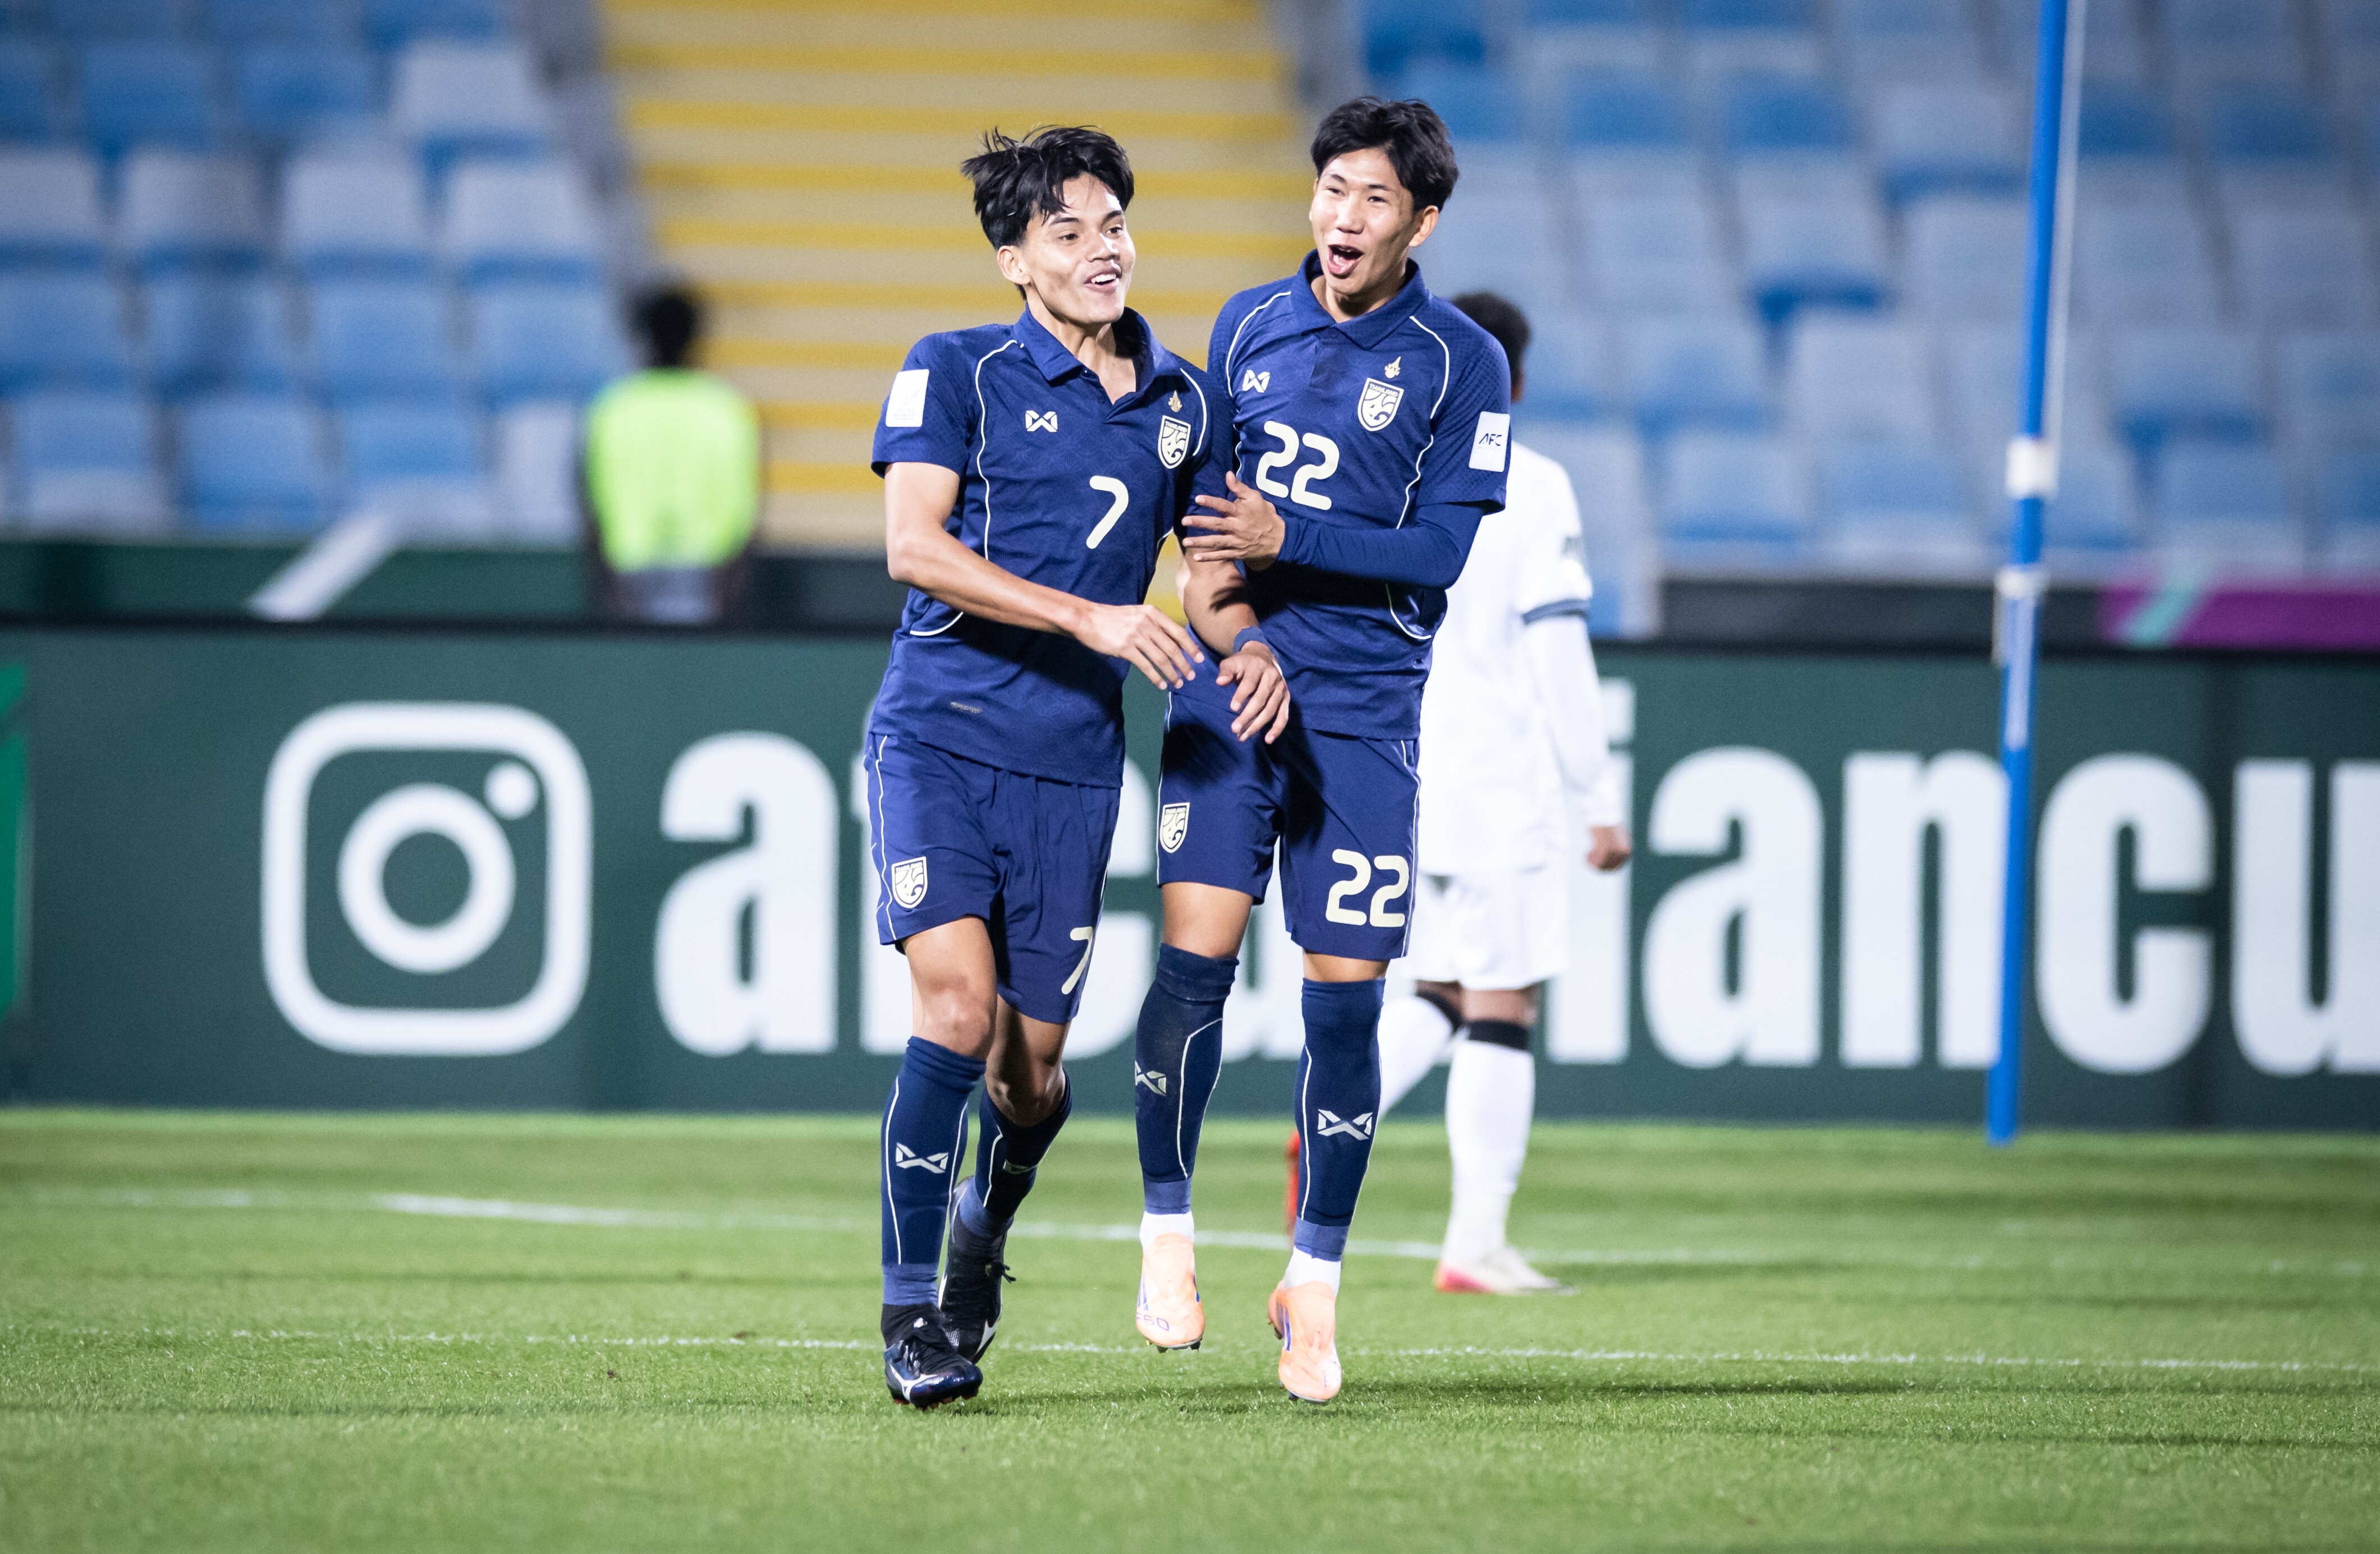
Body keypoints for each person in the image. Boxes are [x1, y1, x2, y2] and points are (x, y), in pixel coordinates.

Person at [864, 126, 1290, 1408]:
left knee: (1032, 1072)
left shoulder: (1186, 399)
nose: (1101, 248)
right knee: (950, 1004)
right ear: (1012, 259)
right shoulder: (953, 370)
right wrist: (1086, 616)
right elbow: (910, 545)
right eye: (1067, 231)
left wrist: (1249, 639)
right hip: (937, 729)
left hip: (1070, 765)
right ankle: (912, 1314)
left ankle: (980, 1236)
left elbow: (1207, 578)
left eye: (1113, 224)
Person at [1127, 97, 1511, 1404]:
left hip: (1361, 717)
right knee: (1195, 964)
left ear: (1420, 222)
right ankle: (1165, 1242)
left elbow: (1439, 553)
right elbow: (1204, 542)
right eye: (1328, 192)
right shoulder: (1242, 325)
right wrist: (1239, 639)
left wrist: (1297, 542)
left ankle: (1313, 1285)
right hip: (1232, 687)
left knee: (1341, 1004)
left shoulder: (1462, 362)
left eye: (1370, 202)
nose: (1340, 221)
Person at [1368, 290, 1632, 1297]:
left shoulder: (1383, 473)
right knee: (1502, 1002)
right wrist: (1598, 795)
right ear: (1511, 384)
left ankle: (1332, 1118)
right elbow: (1556, 645)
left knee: (1437, 983)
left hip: (1396, 771)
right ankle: (1475, 1243)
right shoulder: (1532, 482)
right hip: (1494, 781)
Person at [581, 286, 761, 625]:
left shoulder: (613, 408)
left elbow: (592, 507)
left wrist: (604, 587)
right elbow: (745, 511)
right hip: (707, 573)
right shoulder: (727, 409)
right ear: (695, 336)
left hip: (628, 571)